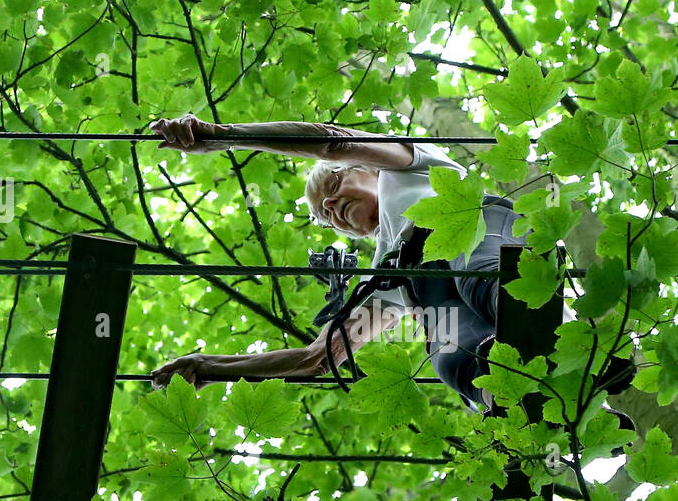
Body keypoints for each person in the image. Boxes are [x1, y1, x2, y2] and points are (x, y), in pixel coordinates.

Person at [147, 114, 636, 419]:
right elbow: (320, 357)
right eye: (327, 220)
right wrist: (211, 369)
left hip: (474, 231)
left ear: (365, 170)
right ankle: (507, 401)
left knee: (472, 271)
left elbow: (331, 142)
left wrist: (222, 135)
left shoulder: (411, 167)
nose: (335, 216)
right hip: (430, 286)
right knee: (445, 351)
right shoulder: (384, 270)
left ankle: (573, 345)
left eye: (334, 195)